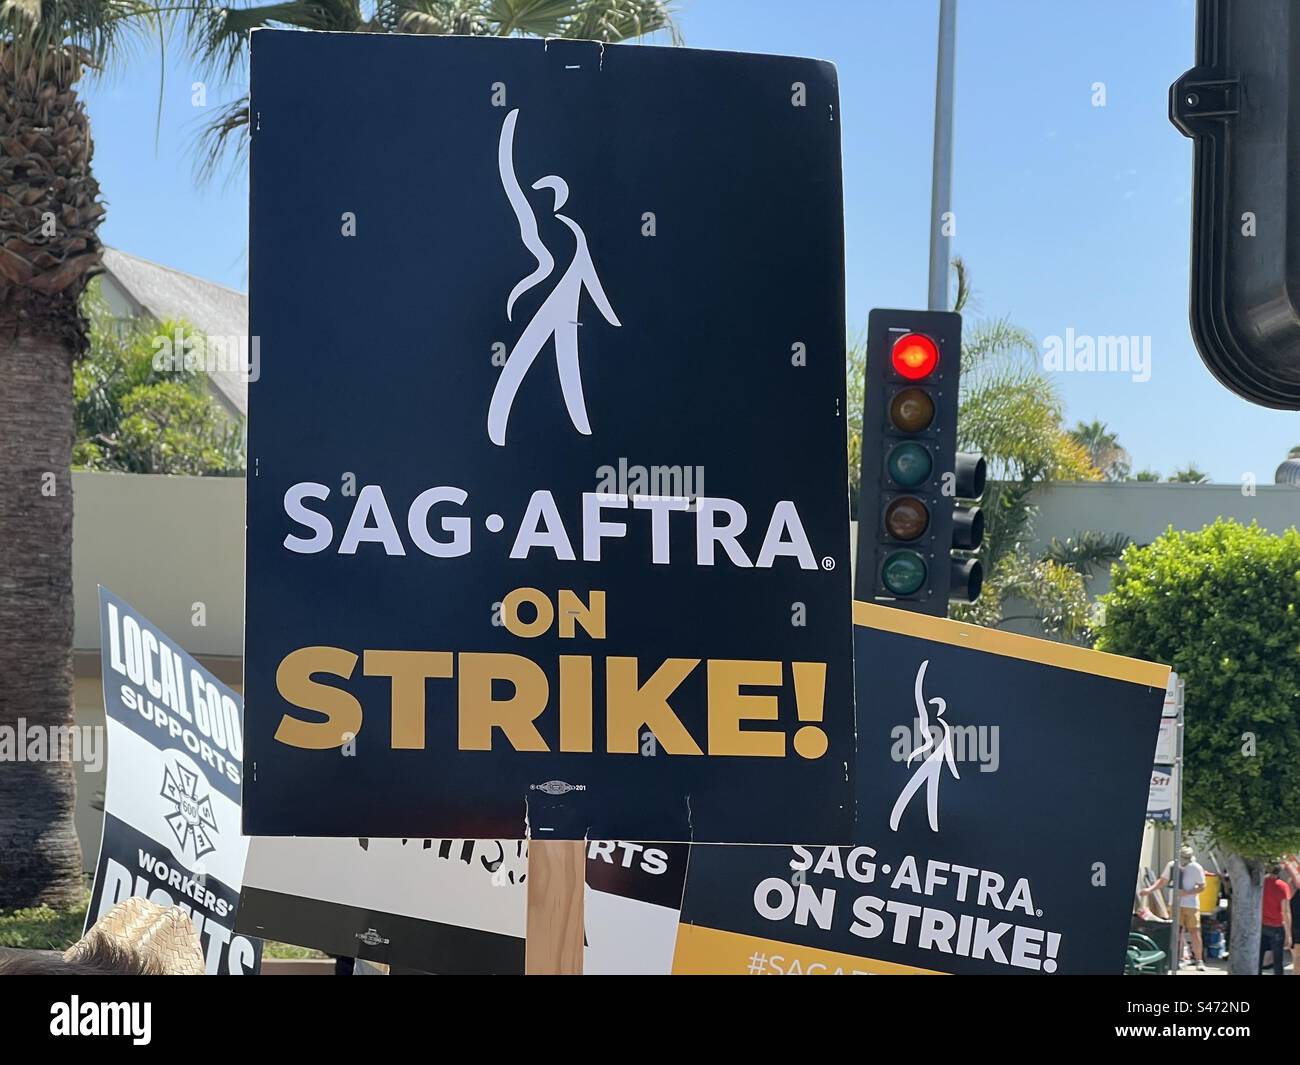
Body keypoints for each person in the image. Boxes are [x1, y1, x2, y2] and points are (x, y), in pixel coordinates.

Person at [1141, 845, 1207, 970]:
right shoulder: (1172, 865)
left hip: (1191, 905)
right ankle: (1179, 958)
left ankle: (1199, 960)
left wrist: (1186, 893)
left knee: (1194, 932)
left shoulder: (1196, 867)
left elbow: (1202, 886)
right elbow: (1163, 880)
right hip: (1175, 903)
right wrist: (1149, 890)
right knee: (1177, 932)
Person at [1261, 863, 1294, 975]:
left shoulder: (1261, 884)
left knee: (1258, 958)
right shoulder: (1283, 886)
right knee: (1278, 960)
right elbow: (1285, 911)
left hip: (1261, 924)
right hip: (1277, 926)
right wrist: (1289, 934)